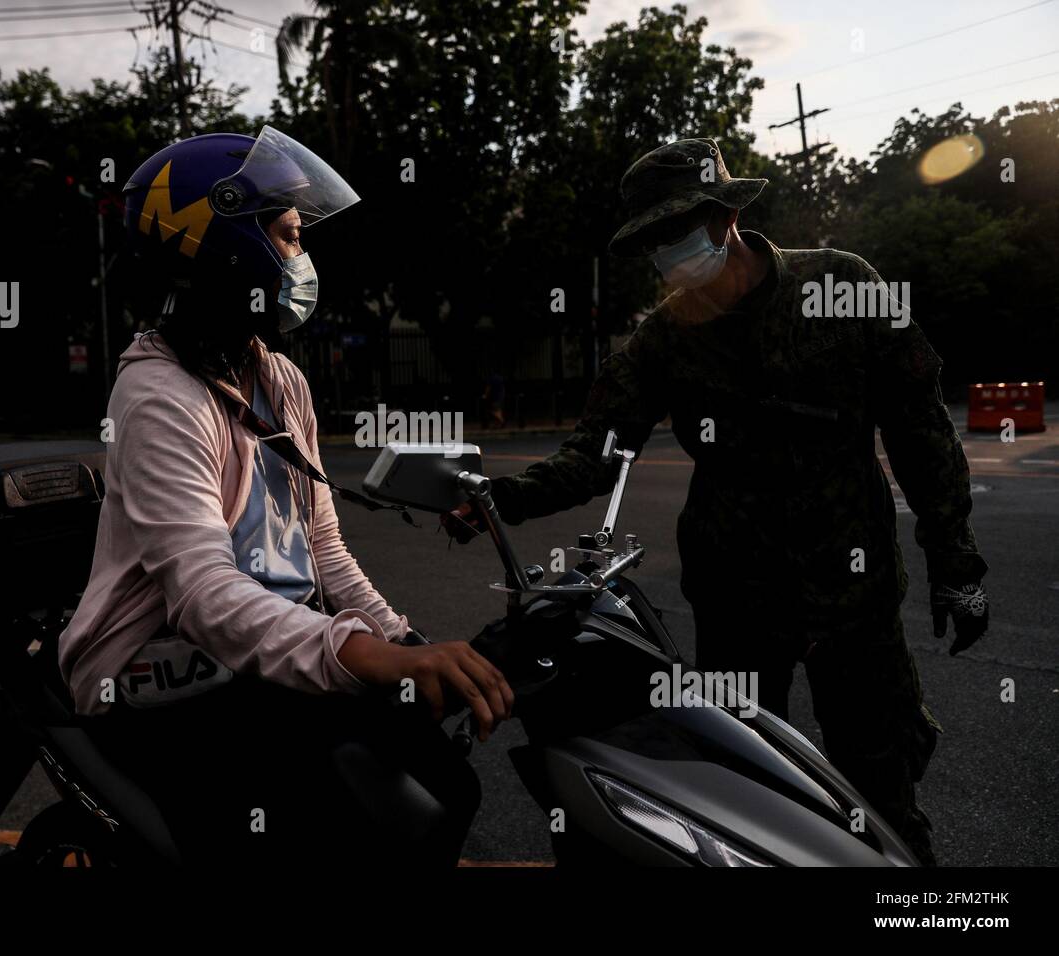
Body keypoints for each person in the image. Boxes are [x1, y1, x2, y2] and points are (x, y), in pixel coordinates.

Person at [444, 138, 988, 865]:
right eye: (653, 240)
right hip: (738, 606)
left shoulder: (841, 286)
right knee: (737, 802)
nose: (668, 252)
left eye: (678, 229)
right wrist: (494, 498)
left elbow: (923, 436)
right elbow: (595, 455)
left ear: (726, 215)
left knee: (879, 804)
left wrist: (956, 563)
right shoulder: (665, 338)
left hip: (854, 603)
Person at [59, 127, 513, 865]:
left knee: (438, 781)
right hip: (157, 672)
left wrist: (401, 643)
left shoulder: (279, 379)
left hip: (259, 649)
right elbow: (204, 595)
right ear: (227, 245)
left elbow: (323, 546)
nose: (302, 259)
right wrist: (362, 655)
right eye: (290, 236)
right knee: (339, 808)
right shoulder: (156, 394)